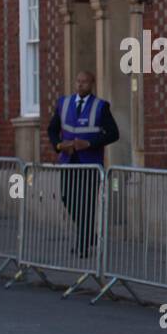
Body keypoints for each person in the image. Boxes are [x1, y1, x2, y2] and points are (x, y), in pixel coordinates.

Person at [46, 70, 119, 255]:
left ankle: (82, 245)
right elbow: (52, 130)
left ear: (92, 83)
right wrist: (59, 145)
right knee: (67, 198)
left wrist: (89, 143)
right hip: (68, 161)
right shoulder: (63, 103)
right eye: (78, 81)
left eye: (84, 82)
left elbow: (113, 134)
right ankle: (89, 234)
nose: (80, 85)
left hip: (90, 162)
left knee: (86, 203)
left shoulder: (101, 106)